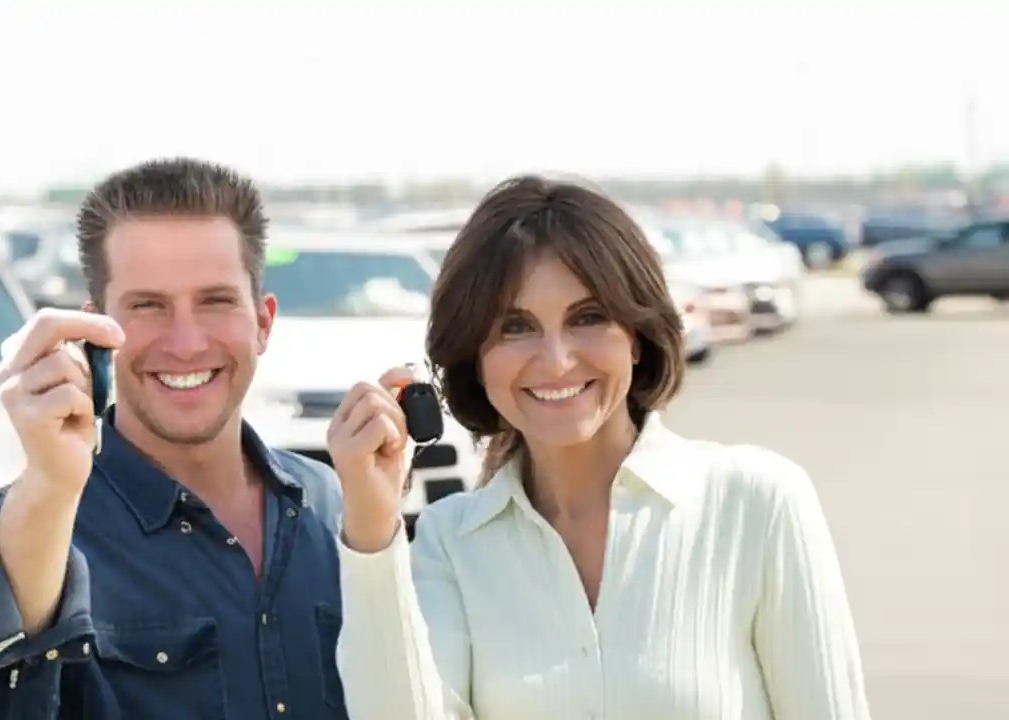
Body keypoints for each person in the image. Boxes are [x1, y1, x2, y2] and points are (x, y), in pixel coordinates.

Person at [327, 175, 872, 719]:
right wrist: (372, 534)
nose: (558, 360)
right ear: (476, 358)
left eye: (588, 318)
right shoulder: (450, 543)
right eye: (516, 327)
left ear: (636, 336)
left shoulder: (759, 504)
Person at [0, 158, 350, 719]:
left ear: (263, 322)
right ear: (93, 330)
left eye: (215, 301)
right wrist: (50, 483)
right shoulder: (19, 530)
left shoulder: (329, 503)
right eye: (147, 306)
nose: (185, 343)